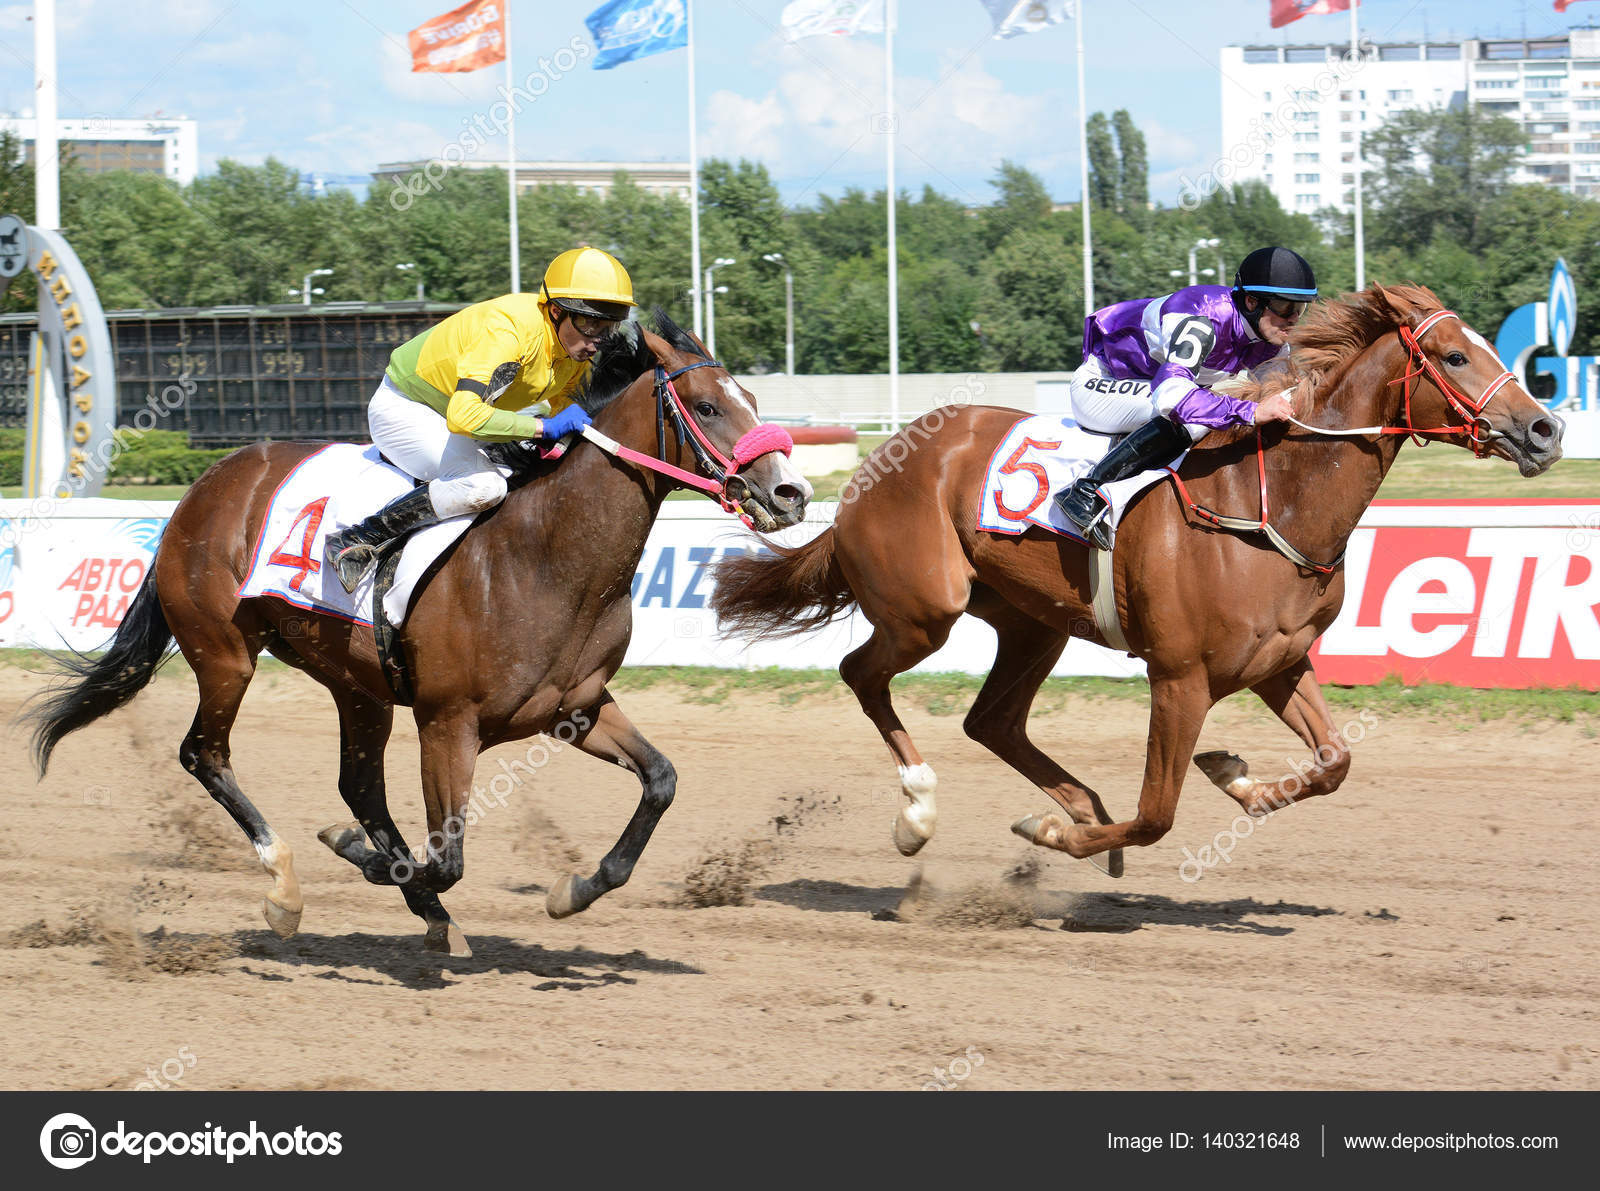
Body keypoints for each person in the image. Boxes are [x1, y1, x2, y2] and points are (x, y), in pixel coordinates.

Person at [325, 247, 635, 592]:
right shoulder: (509, 332)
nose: (597, 340)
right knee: (483, 487)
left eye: (607, 327)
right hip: (407, 408)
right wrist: (542, 427)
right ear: (556, 311)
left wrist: (562, 429)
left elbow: (559, 405)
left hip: (464, 417)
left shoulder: (572, 347)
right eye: (589, 323)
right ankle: (357, 539)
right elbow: (464, 416)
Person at [1052, 245, 1315, 549]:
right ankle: (1085, 490)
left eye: (1301, 308)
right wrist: (1250, 411)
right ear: (1251, 301)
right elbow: (1171, 397)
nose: (1293, 319)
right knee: (1193, 421)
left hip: (1150, 385)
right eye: (1284, 306)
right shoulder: (1203, 317)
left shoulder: (1272, 340)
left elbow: (1283, 401)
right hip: (1101, 385)